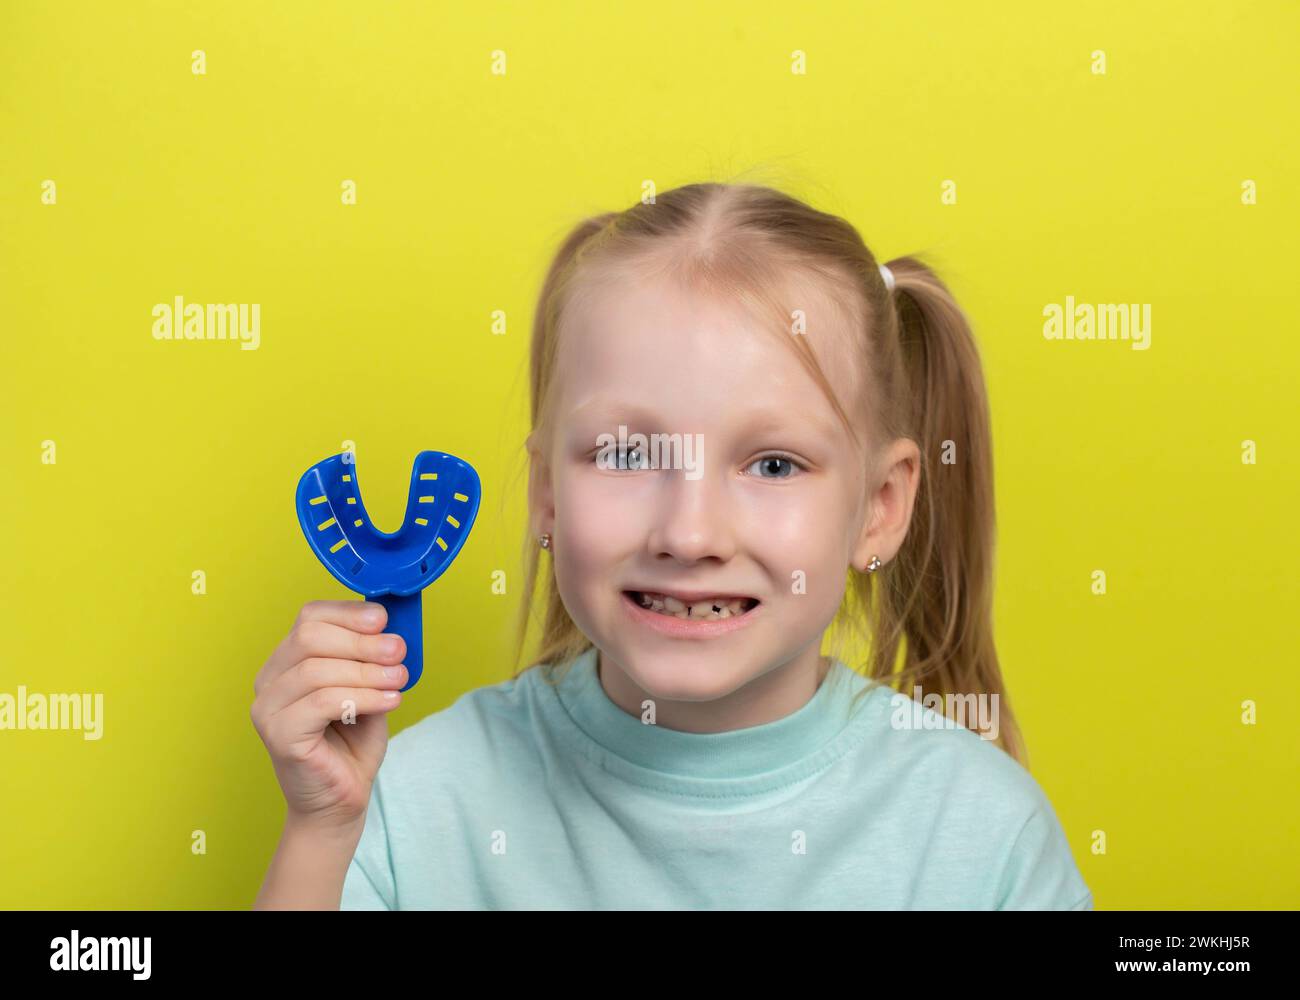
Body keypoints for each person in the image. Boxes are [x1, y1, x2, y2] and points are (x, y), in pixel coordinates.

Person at [252, 181, 1093, 910]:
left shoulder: (982, 836)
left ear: (879, 507)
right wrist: (321, 831)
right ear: (546, 493)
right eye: (625, 454)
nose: (690, 535)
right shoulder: (410, 802)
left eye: (772, 463)